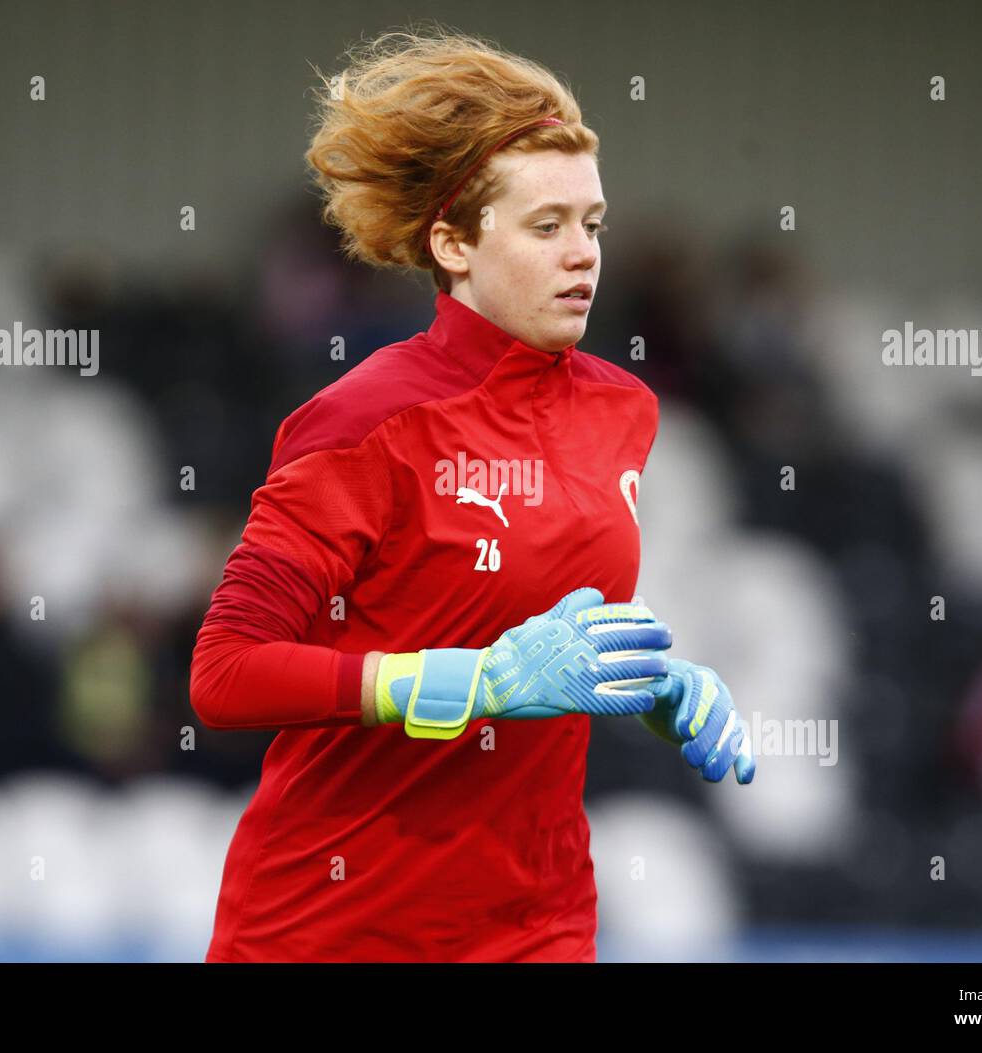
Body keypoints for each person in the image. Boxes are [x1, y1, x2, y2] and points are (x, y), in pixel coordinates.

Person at [190, 27, 754, 964]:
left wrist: (654, 683)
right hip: (333, 926)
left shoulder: (626, 412)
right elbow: (226, 673)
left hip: (538, 925)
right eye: (546, 227)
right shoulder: (364, 421)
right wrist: (475, 682)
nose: (582, 255)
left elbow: (551, 619)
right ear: (452, 242)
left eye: (594, 224)